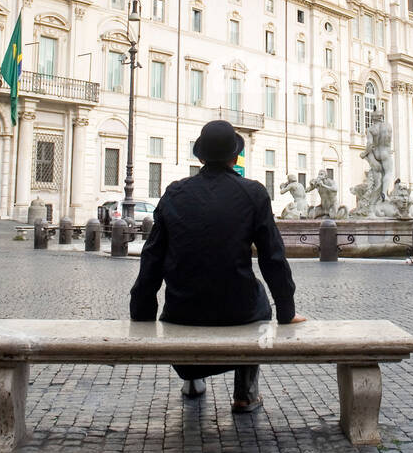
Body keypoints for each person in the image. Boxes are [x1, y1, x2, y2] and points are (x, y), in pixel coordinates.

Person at [129, 120, 306, 413]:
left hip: (183, 313)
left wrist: (141, 313)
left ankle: (193, 380)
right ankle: (245, 393)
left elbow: (152, 258)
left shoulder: (174, 193)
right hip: (239, 312)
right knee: (260, 302)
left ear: (200, 157)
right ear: (235, 158)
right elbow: (272, 258)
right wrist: (286, 311)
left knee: (197, 294)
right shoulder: (254, 193)